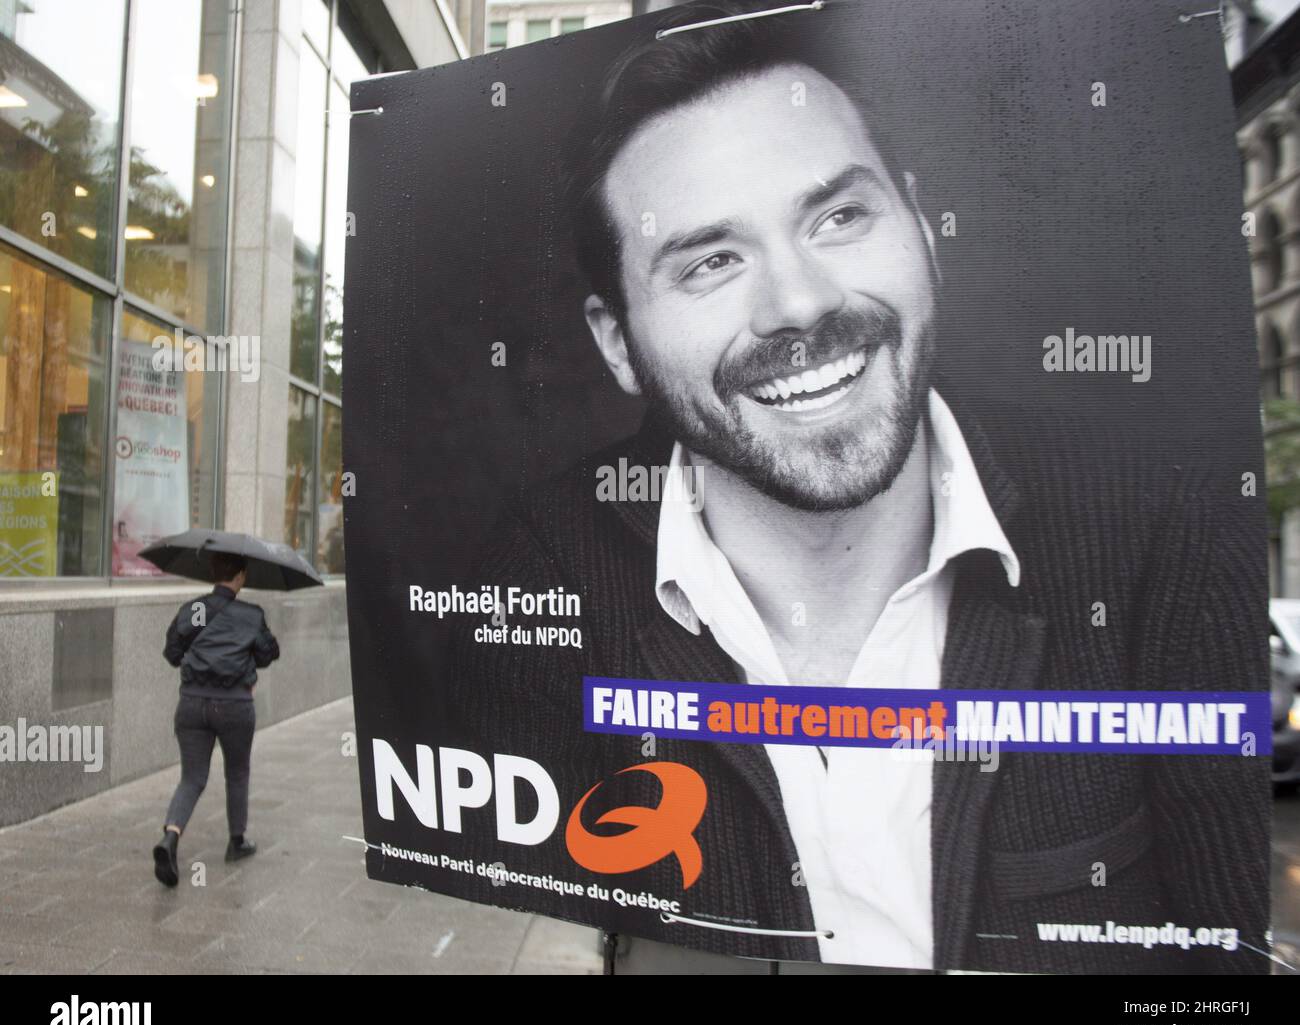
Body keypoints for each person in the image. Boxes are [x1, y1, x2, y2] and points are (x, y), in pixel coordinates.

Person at [449, 3, 1268, 972]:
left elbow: (1222, 979)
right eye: (711, 262)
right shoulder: (533, 576)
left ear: (920, 225)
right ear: (616, 342)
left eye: (838, 217)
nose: (799, 302)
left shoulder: (1152, 526)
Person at [153, 551, 280, 887]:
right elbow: (269, 654)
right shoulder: (251, 615)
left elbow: (172, 653)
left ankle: (170, 836)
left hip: (192, 704)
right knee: (237, 772)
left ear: (213, 573)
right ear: (241, 576)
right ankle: (237, 842)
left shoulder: (196, 610)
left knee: (192, 778)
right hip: (235, 705)